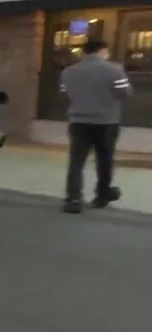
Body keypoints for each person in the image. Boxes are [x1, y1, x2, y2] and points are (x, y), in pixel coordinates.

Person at [60, 39, 131, 214]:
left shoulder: (68, 72)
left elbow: (64, 94)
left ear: (84, 53)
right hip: (106, 122)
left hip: (78, 121)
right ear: (103, 51)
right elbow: (125, 94)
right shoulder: (114, 70)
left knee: (76, 161)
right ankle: (102, 195)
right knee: (105, 160)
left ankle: (74, 199)